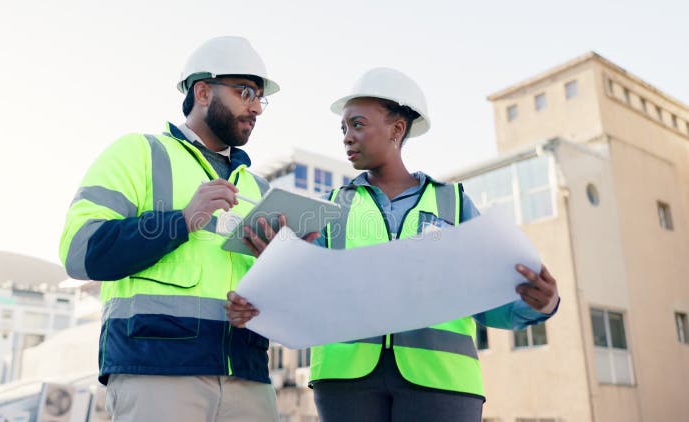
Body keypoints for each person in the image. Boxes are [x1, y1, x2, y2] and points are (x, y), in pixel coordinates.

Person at [226, 67, 560, 421]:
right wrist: (263, 294)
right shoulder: (330, 207)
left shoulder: (453, 203)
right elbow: (307, 297)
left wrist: (539, 304)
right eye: (343, 128)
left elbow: (486, 297)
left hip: (442, 381)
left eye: (357, 124)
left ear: (397, 129)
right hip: (346, 381)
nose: (346, 137)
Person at [59, 36, 282, 422]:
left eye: (261, 97)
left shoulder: (260, 190)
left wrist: (279, 263)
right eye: (246, 91)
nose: (257, 107)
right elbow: (81, 252)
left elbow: (272, 300)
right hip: (156, 373)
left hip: (248, 376)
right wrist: (180, 221)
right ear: (202, 91)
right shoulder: (138, 153)